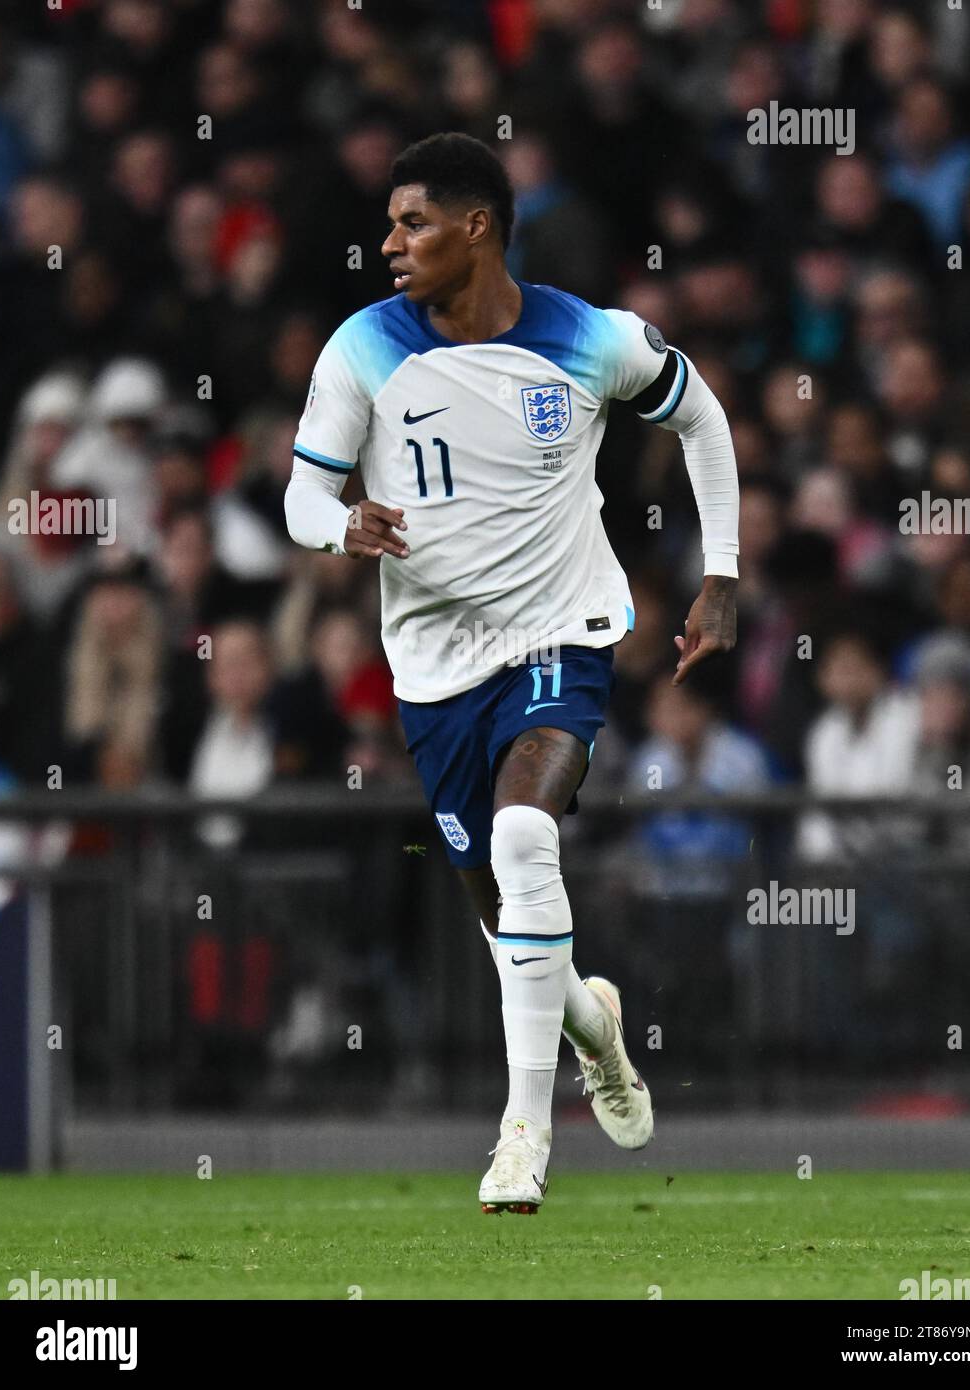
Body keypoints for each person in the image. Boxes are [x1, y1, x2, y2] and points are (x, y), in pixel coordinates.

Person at [283, 132, 740, 1213]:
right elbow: (303, 495)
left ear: (475, 227)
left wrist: (719, 575)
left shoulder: (588, 337)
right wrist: (340, 525)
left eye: (411, 223)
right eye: (391, 223)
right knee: (506, 919)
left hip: (558, 635)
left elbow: (700, 415)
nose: (388, 242)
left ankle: (521, 1134)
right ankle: (593, 1025)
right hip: (433, 669)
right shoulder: (361, 347)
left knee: (524, 833)